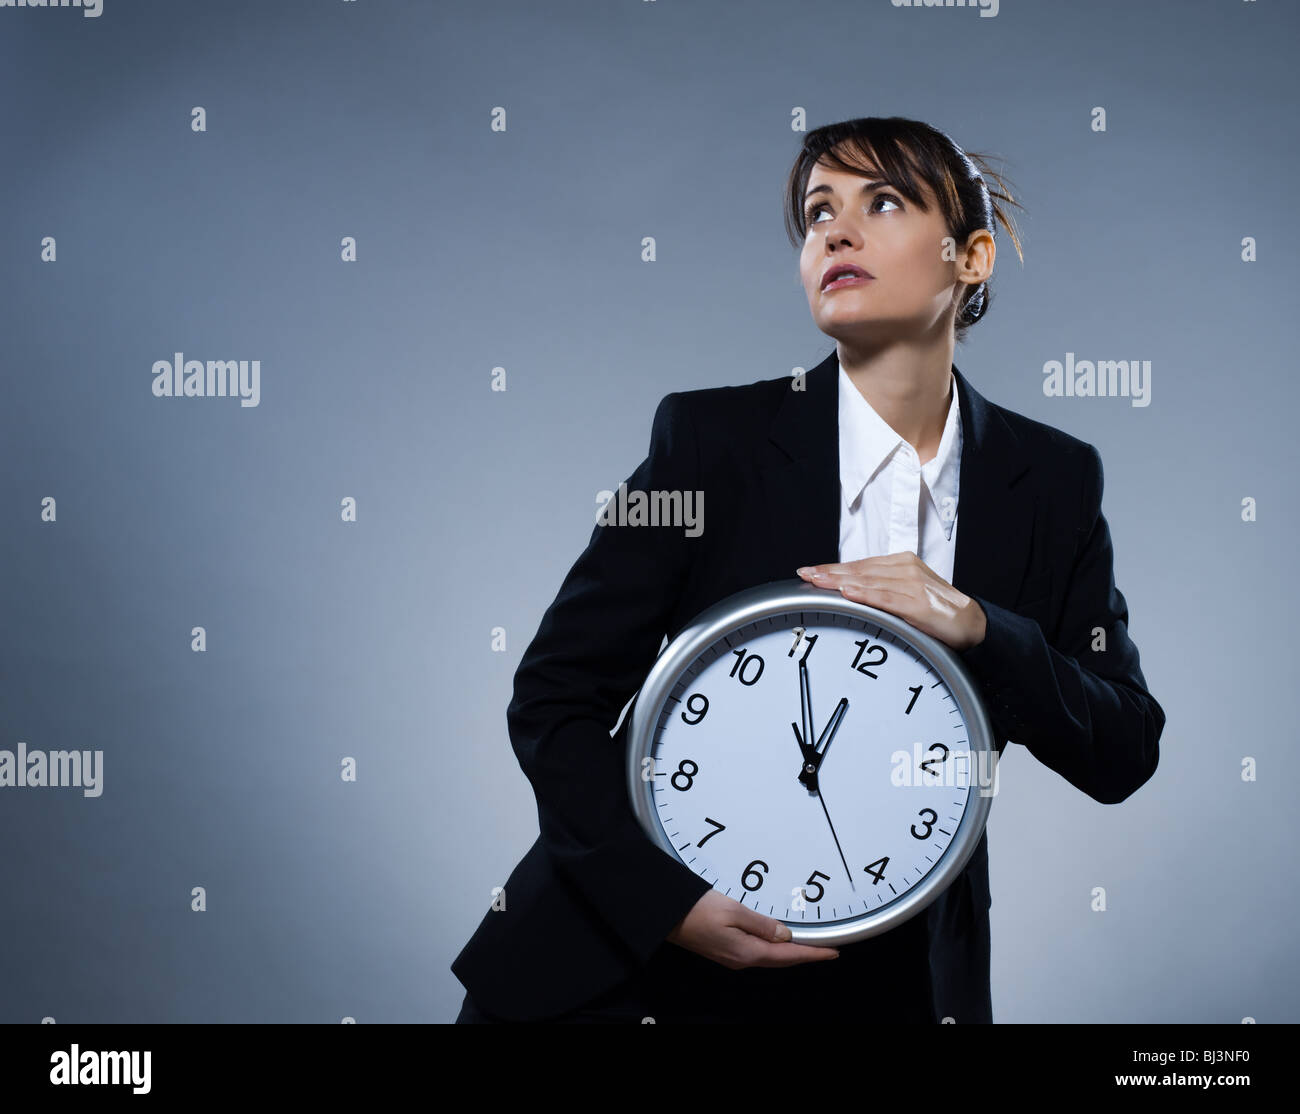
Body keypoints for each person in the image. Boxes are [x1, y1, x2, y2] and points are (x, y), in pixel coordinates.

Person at [451, 116, 1166, 1024]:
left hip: (890, 980)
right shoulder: (709, 442)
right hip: (628, 974)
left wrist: (980, 625)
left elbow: (1123, 748)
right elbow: (556, 693)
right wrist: (664, 903)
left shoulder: (1053, 481)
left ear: (971, 256)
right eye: (818, 211)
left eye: (884, 201)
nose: (834, 229)